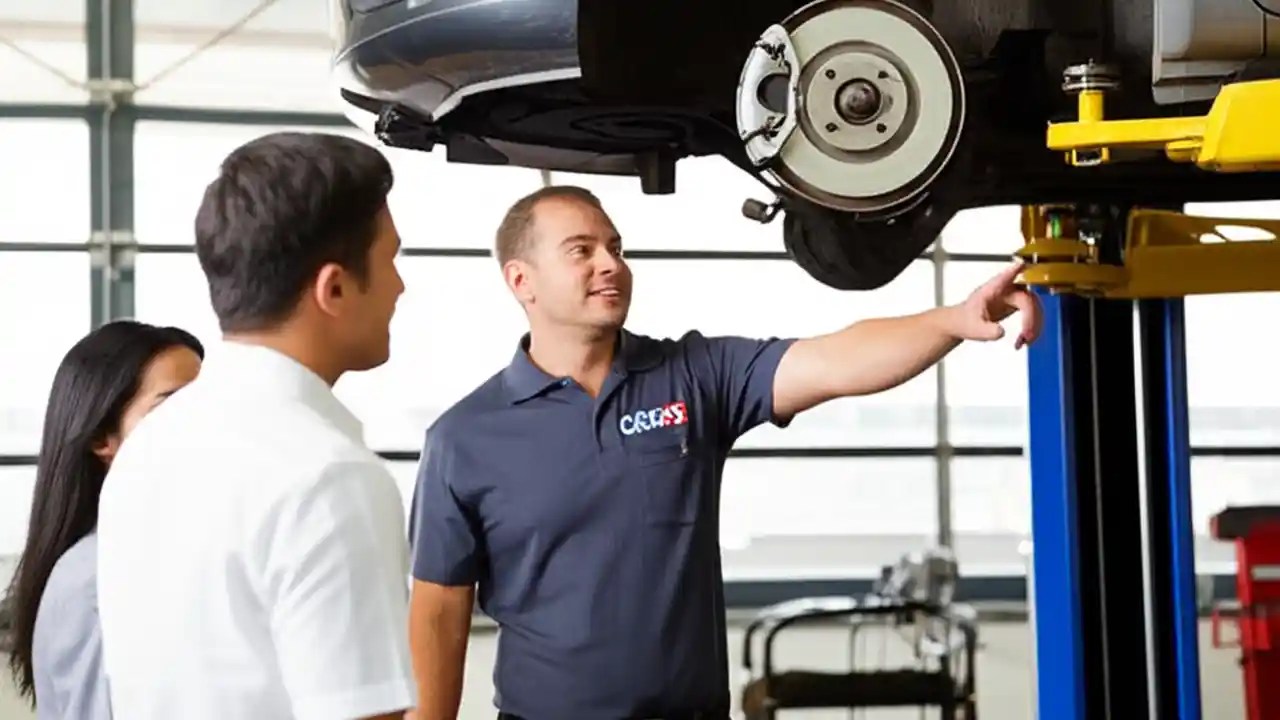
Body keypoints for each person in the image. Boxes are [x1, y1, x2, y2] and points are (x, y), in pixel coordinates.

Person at [407, 185, 1043, 720]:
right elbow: (438, 610)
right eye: (582, 251)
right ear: (522, 280)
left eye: (616, 247)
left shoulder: (693, 375)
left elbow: (832, 360)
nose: (611, 264)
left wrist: (951, 321)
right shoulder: (465, 438)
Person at [95, 131, 415, 720]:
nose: (400, 286)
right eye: (391, 259)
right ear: (334, 288)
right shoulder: (329, 476)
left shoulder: (150, 446)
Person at [3, 320, 203, 720]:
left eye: (207, 404)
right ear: (101, 439)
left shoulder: (170, 554)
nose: (202, 423)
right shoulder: (96, 579)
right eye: (172, 406)